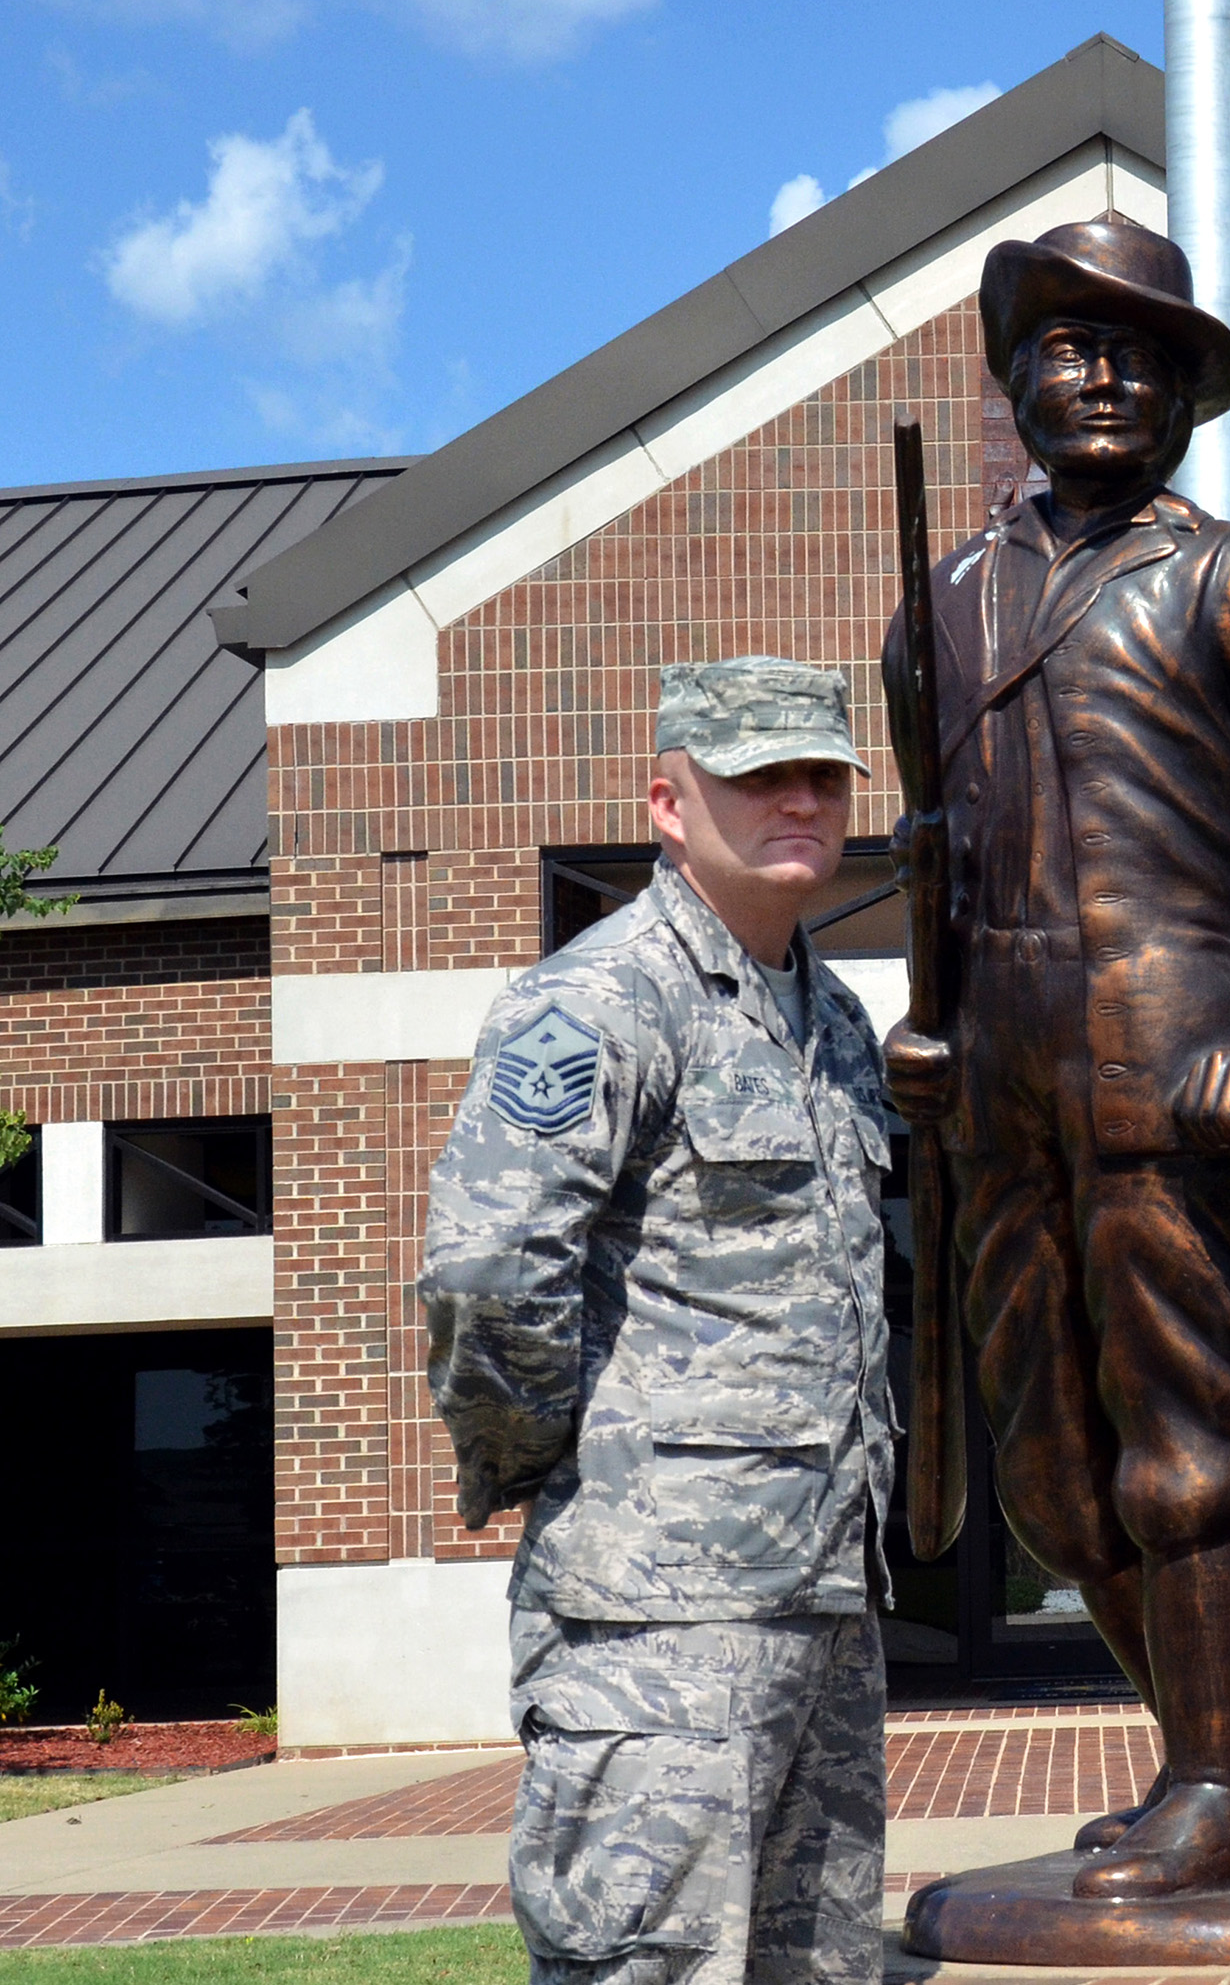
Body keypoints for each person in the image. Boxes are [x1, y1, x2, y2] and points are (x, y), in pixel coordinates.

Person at [881, 217, 1230, 1916]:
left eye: (1142, 349)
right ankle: (1220, 1753)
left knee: (1190, 1450)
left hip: (1177, 1065)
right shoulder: (943, 612)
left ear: (1192, 390)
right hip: (998, 1095)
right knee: (1052, 1472)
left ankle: (1225, 1786)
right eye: (1067, 343)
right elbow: (944, 863)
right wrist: (930, 1023)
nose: (1104, 372)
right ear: (1016, 378)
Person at [421, 657, 897, 1985]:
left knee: (824, 1966)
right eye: (758, 777)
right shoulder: (601, 998)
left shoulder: (835, 1016)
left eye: (821, 775)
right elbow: (487, 1268)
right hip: (655, 1625)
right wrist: (560, 1464)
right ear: (669, 802)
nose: (798, 799)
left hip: (825, 1603)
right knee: (651, 1963)